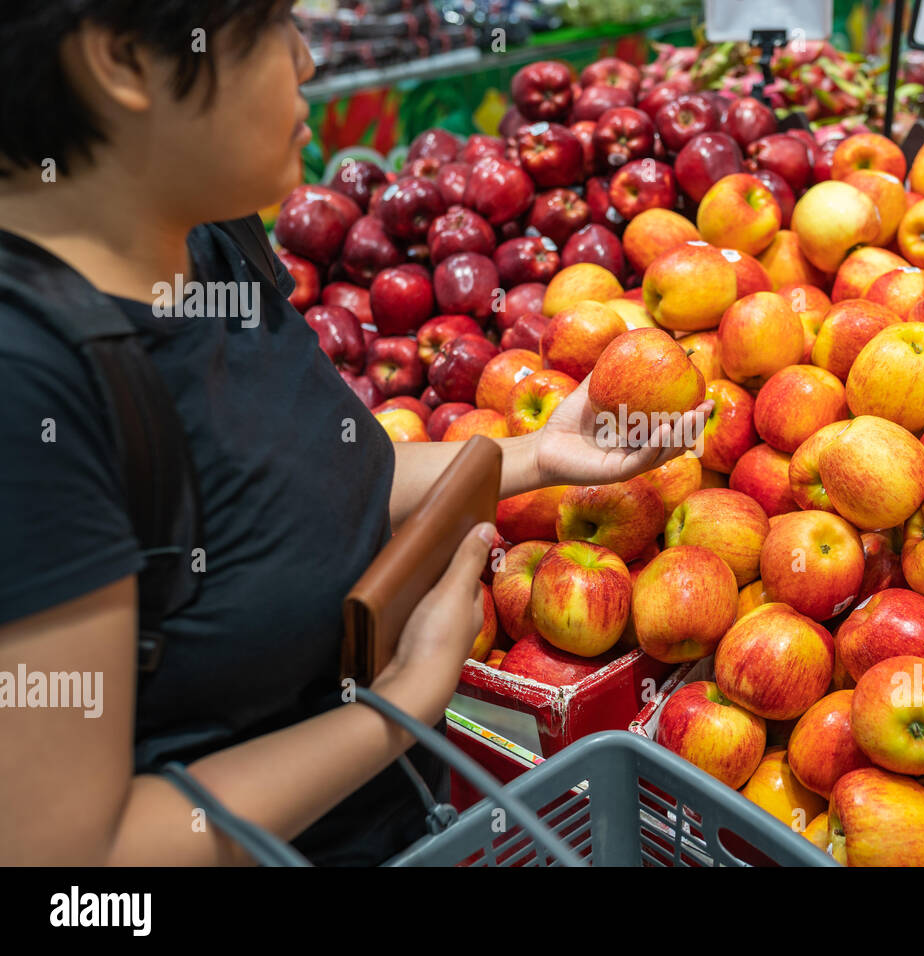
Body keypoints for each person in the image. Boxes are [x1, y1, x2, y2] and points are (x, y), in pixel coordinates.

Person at [0, 0, 709, 865]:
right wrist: (400, 705)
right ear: (122, 62)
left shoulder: (214, 241)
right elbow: (70, 858)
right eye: (270, 25)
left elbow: (308, 484)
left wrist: (536, 456)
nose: (304, 58)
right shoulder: (31, 386)